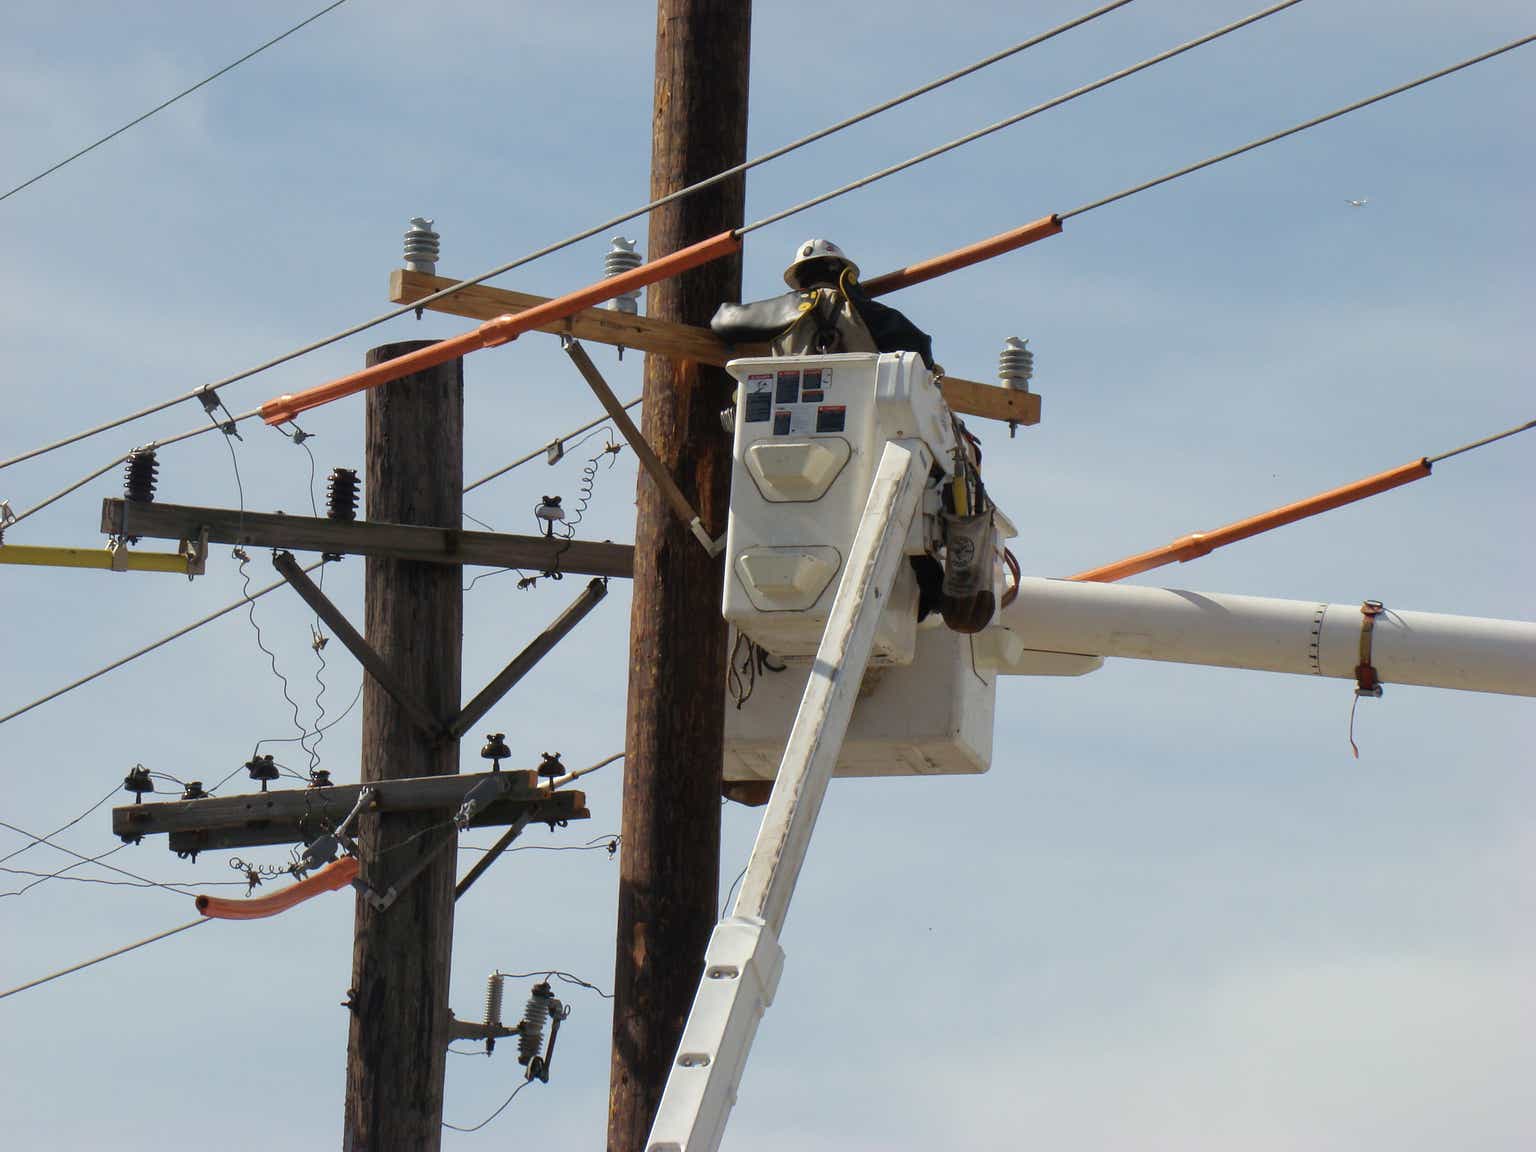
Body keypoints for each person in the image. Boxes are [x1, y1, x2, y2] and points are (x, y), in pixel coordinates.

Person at [711, 238, 938, 369]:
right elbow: (921, 345)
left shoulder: (782, 311)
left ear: (799, 280)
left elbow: (723, 321)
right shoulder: (866, 312)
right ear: (844, 274)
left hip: (789, 418)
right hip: (860, 420)